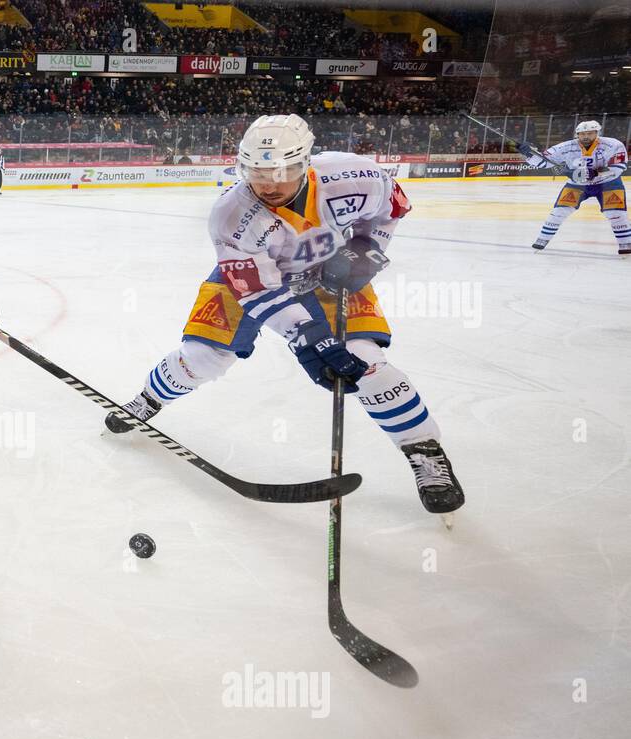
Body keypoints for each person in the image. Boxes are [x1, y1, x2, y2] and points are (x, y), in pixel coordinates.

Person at [105, 114, 464, 519]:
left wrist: (367, 246)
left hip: (330, 272)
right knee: (204, 358)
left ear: (305, 163)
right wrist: (307, 335)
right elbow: (258, 289)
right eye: (257, 173)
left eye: (282, 171)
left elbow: (393, 205)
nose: (269, 184)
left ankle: (424, 452)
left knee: (366, 363)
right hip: (254, 277)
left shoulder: (353, 174)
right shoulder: (230, 214)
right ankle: (149, 399)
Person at [520, 120, 629, 254]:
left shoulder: (613, 144)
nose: (585, 136)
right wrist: (529, 154)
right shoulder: (565, 147)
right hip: (577, 184)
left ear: (597, 133)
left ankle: (626, 244)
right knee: (558, 212)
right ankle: (542, 239)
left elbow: (619, 166)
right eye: (582, 134)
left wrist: (594, 172)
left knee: (616, 214)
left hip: (609, 183)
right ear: (577, 134)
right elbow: (543, 162)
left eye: (589, 133)